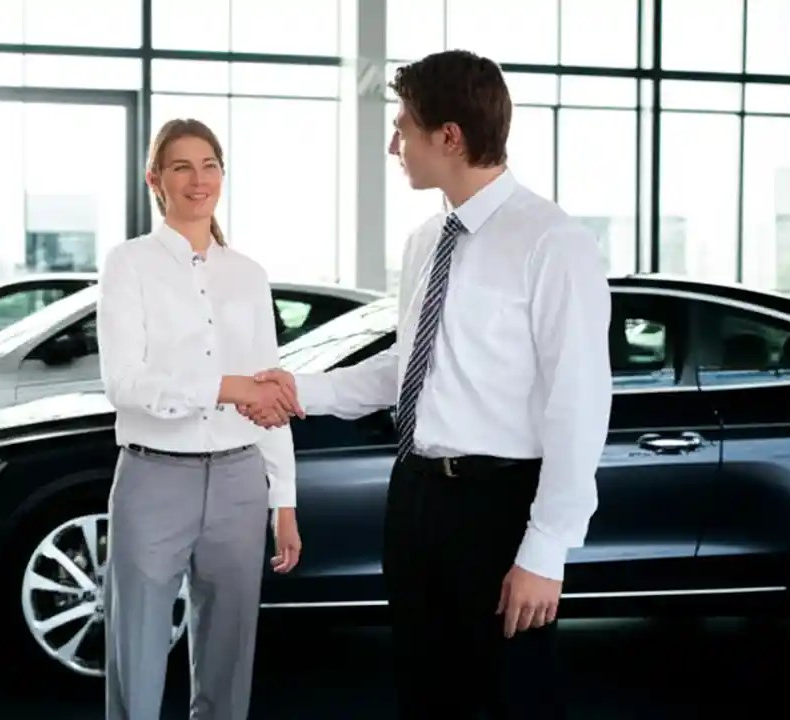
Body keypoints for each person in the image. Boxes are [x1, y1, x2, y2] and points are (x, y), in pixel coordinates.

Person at [249, 50, 612, 718]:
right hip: (416, 496)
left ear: (449, 137)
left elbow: (580, 402)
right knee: (425, 694)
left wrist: (546, 549)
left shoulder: (552, 241)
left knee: (510, 698)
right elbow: (407, 368)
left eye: (403, 128)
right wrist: (298, 390)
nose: (394, 146)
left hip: (499, 505)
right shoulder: (425, 241)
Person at [96, 117, 304, 720]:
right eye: (181, 167)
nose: (198, 180)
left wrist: (284, 501)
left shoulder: (248, 274)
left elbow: (270, 393)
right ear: (154, 180)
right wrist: (224, 387)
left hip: (240, 479)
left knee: (229, 657)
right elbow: (124, 383)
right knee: (136, 649)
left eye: (209, 165)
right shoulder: (128, 264)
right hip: (154, 478)